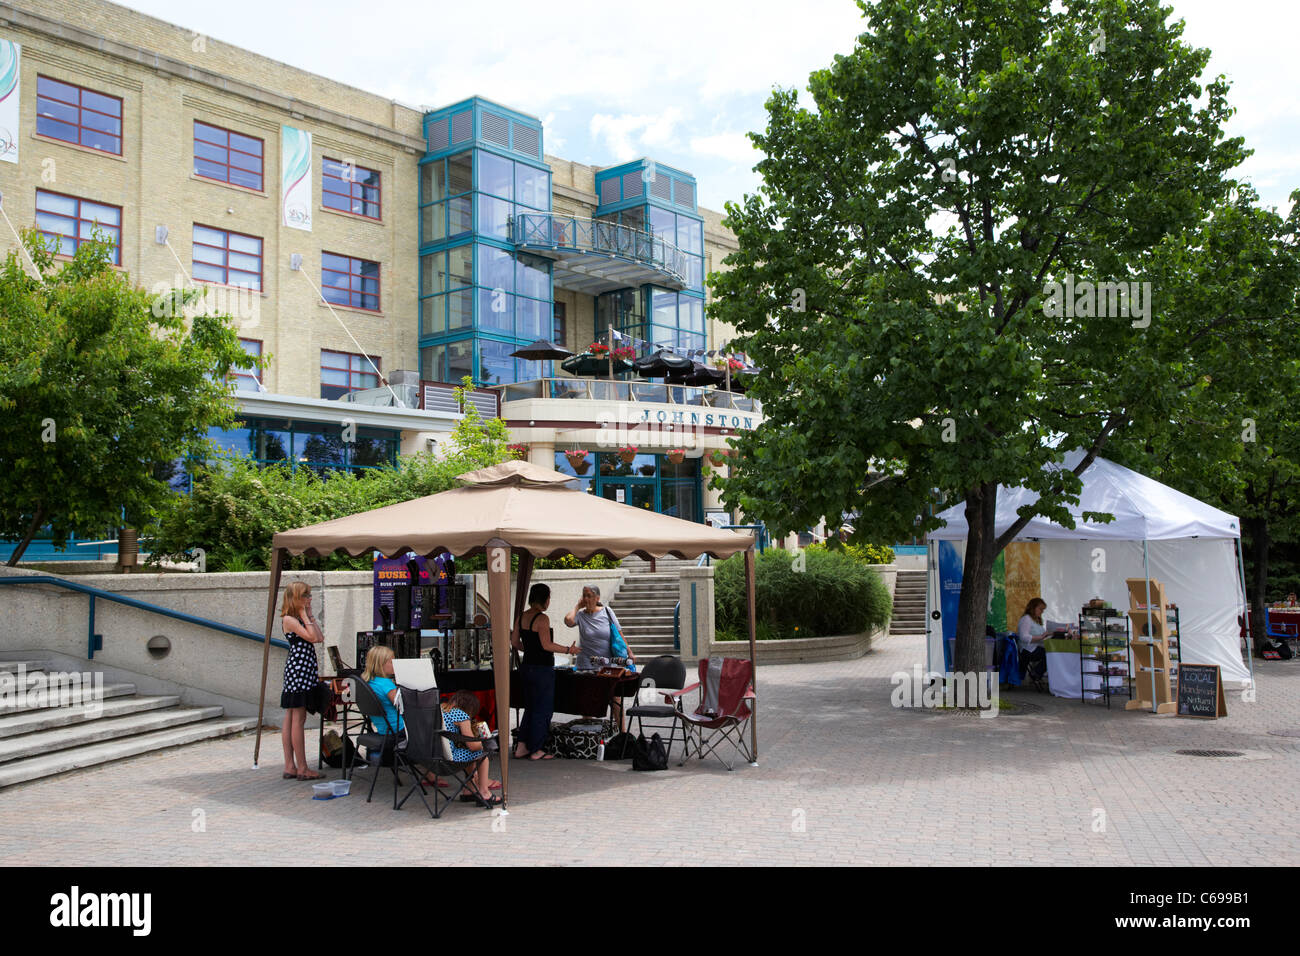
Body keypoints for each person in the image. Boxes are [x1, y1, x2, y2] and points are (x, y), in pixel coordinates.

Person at [510, 583, 577, 760]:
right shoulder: (542, 619)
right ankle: (537, 749)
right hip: (542, 668)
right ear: (545, 599)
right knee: (543, 709)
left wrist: (530, 649)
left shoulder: (521, 616)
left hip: (526, 667)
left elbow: (515, 643)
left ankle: (522, 746)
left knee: (530, 707)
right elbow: (546, 645)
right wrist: (569, 650)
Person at [565, 584, 637, 729]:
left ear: (597, 598)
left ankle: (622, 735)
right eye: (584, 595)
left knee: (615, 700)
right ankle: (588, 735)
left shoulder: (607, 612)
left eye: (589, 596)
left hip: (608, 664)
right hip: (586, 664)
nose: (586, 598)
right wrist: (577, 606)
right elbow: (568, 621)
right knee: (588, 701)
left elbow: (618, 633)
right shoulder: (580, 615)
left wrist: (629, 651)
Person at [280, 581, 325, 781]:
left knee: (293, 717)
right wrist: (305, 615)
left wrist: (310, 614)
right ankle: (301, 767)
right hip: (298, 671)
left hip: (303, 670)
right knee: (297, 718)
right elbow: (310, 637)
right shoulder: (290, 619)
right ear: (297, 598)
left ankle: (291, 765)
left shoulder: (299, 618)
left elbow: (319, 637)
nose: (309, 599)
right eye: (306, 596)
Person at [442, 690, 500, 805]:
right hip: (450, 758)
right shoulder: (460, 714)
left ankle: (470, 789)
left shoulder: (441, 710)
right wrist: (484, 742)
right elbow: (472, 745)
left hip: (437, 755)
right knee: (482, 755)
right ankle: (484, 792)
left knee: (468, 754)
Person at [1017, 597, 1050, 680]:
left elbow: (1040, 636)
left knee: (1052, 653)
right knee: (1051, 655)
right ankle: (1036, 673)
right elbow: (1023, 637)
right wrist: (1042, 636)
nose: (1042, 611)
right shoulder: (1026, 619)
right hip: (1028, 650)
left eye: (1043, 610)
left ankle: (1037, 672)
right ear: (1033, 607)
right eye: (1040, 609)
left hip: (1034, 648)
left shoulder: (1036, 620)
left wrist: (1048, 635)